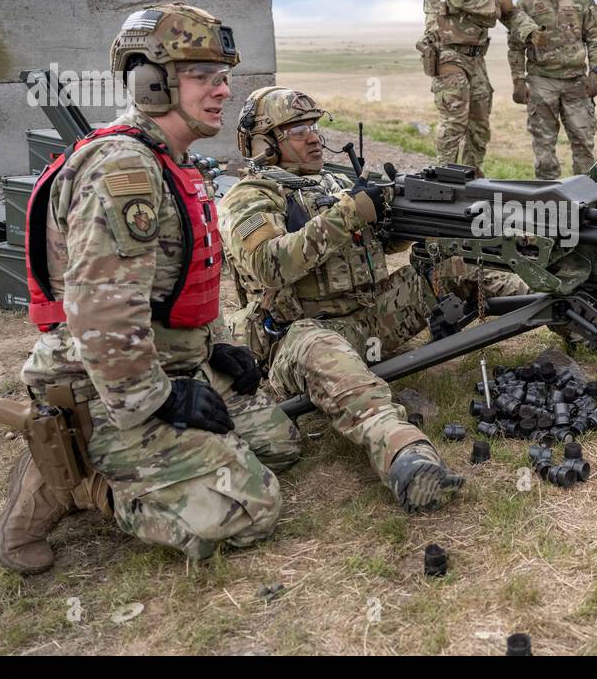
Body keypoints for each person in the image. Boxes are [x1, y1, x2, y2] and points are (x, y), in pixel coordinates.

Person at [0, 4, 300, 574]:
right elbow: (101, 314)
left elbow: (176, 280)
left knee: (281, 444)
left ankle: (141, 453)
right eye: (203, 76)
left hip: (171, 359)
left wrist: (214, 348)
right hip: (103, 382)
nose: (223, 90)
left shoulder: (170, 159)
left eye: (224, 76)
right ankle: (78, 476)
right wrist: (158, 399)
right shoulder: (123, 171)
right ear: (151, 81)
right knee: (251, 506)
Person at [217, 87, 528, 510]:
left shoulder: (334, 180)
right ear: (263, 143)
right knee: (330, 357)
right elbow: (270, 264)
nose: (312, 137)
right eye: (296, 130)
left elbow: (380, 246)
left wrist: (400, 218)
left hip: (368, 318)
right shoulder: (250, 196)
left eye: (313, 126)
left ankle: (561, 307)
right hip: (300, 334)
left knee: (456, 262)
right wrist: (349, 213)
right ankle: (408, 459)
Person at [419, 0, 543, 177]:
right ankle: (442, 178)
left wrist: (529, 30)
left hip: (475, 59)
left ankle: (470, 175)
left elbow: (510, 11)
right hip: (448, 53)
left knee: (479, 125)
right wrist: (498, 2)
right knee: (454, 121)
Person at [507, 0, 597, 179]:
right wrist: (519, 81)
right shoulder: (525, 2)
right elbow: (515, 46)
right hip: (541, 82)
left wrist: (595, 71)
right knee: (544, 149)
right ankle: (549, 200)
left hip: (575, 81)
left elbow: (595, 36)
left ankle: (586, 199)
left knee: (583, 143)